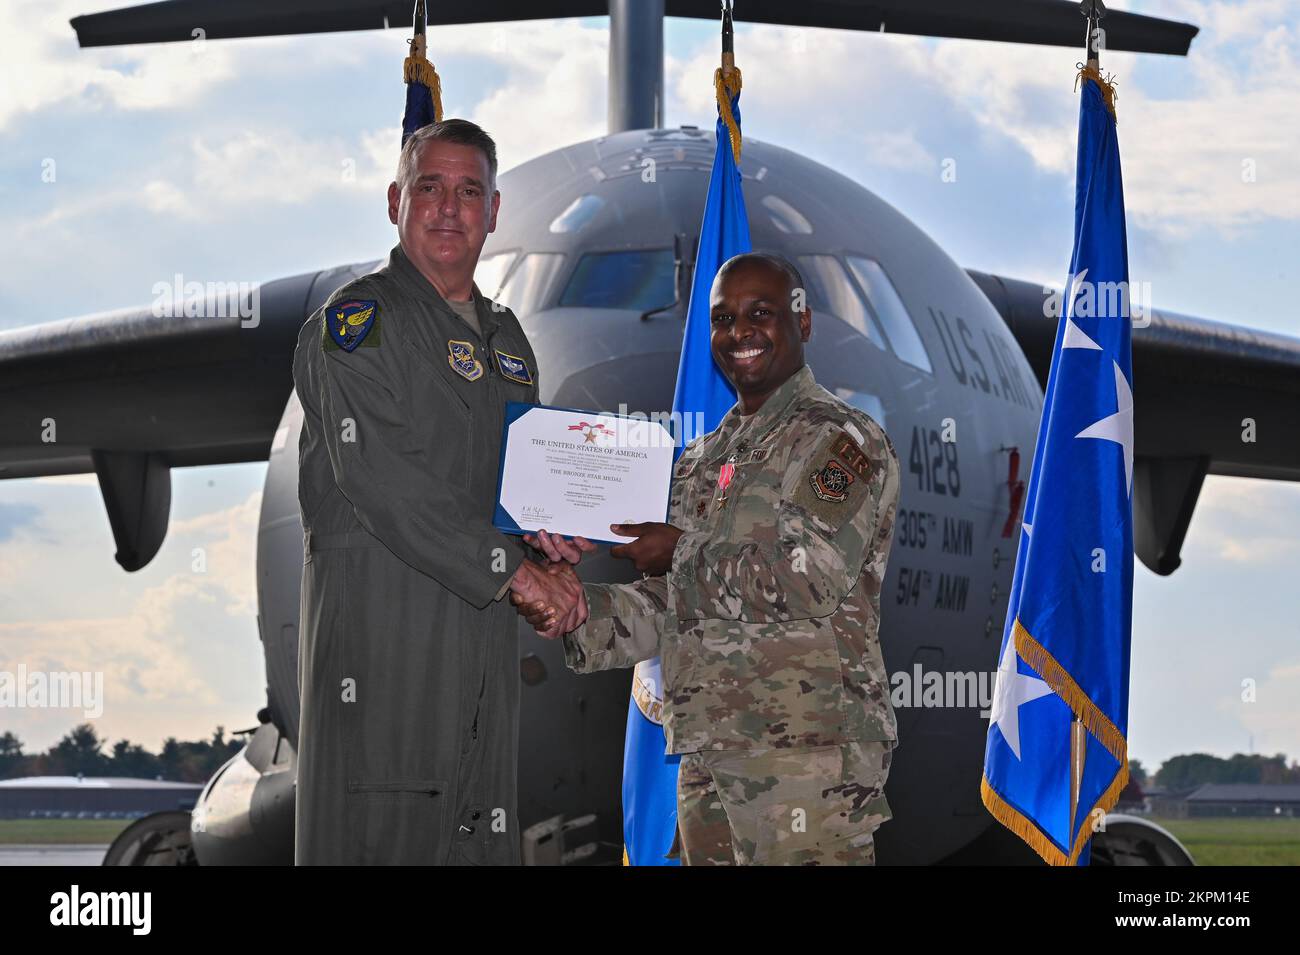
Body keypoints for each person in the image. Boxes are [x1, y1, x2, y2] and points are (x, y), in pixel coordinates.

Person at [516, 252, 901, 865]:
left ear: (802, 323)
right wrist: (575, 606)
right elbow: (680, 599)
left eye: (761, 313)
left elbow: (812, 576)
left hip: (805, 763)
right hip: (707, 756)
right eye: (723, 319)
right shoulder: (701, 458)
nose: (740, 332)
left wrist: (679, 550)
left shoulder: (840, 438)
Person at [291, 118, 560, 865]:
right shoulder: (354, 327)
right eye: (430, 187)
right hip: (384, 674)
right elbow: (387, 484)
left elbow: (514, 492)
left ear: (495, 211)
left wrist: (551, 537)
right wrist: (519, 572)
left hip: (483, 678)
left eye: (469, 191)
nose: (449, 208)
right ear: (394, 201)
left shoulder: (507, 342)